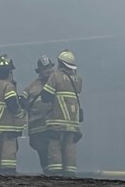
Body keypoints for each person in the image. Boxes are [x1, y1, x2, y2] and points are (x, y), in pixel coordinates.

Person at [41, 49, 83, 177]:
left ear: (61, 63)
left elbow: (46, 96)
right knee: (70, 145)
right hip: (73, 121)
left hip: (57, 119)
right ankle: (70, 172)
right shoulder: (78, 79)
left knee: (55, 144)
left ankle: (56, 172)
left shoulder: (55, 76)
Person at [22, 55, 56, 173]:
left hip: (53, 125)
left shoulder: (58, 82)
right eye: (45, 69)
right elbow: (23, 102)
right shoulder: (31, 86)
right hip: (37, 127)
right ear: (39, 71)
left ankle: (56, 175)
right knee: (42, 151)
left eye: (50, 68)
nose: (48, 72)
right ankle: (47, 173)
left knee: (54, 150)